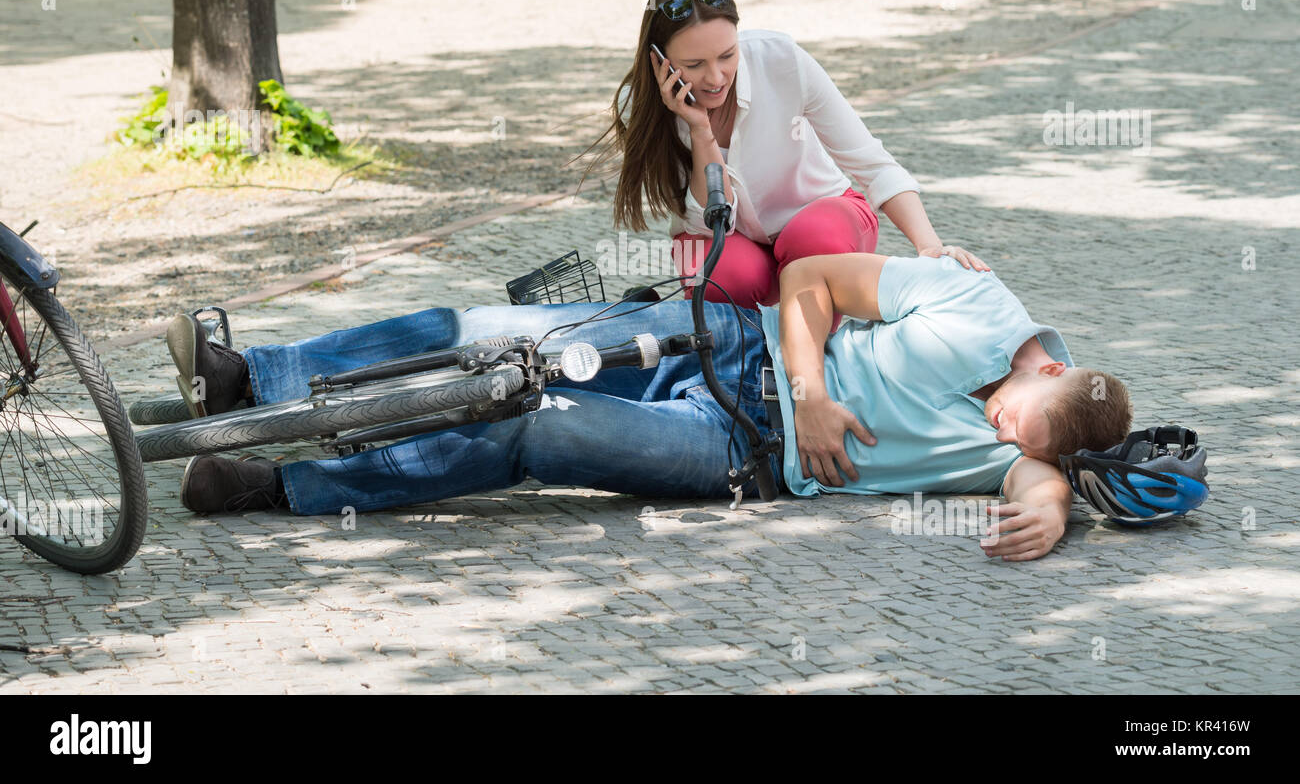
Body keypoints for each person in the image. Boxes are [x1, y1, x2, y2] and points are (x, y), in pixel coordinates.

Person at [167, 251, 1133, 562]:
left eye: (1019, 441)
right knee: (489, 326)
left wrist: (1049, 501)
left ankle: (286, 481)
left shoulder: (1034, 441)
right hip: (736, 339)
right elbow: (808, 283)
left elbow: (1040, 466)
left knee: (537, 428)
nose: (1002, 428)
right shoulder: (978, 303)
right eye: (1017, 411)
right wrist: (815, 392)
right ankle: (255, 374)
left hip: (736, 451)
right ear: (1047, 367)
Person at [581, 0, 988, 312]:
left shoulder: (781, 59)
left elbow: (871, 162)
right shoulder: (641, 106)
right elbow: (709, 218)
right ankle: (739, 377)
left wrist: (929, 247)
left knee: (812, 240)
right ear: (658, 59)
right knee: (725, 274)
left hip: (823, 220)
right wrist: (700, 129)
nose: (717, 77)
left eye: (727, 55)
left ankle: (812, 377)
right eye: (694, 65)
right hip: (722, 237)